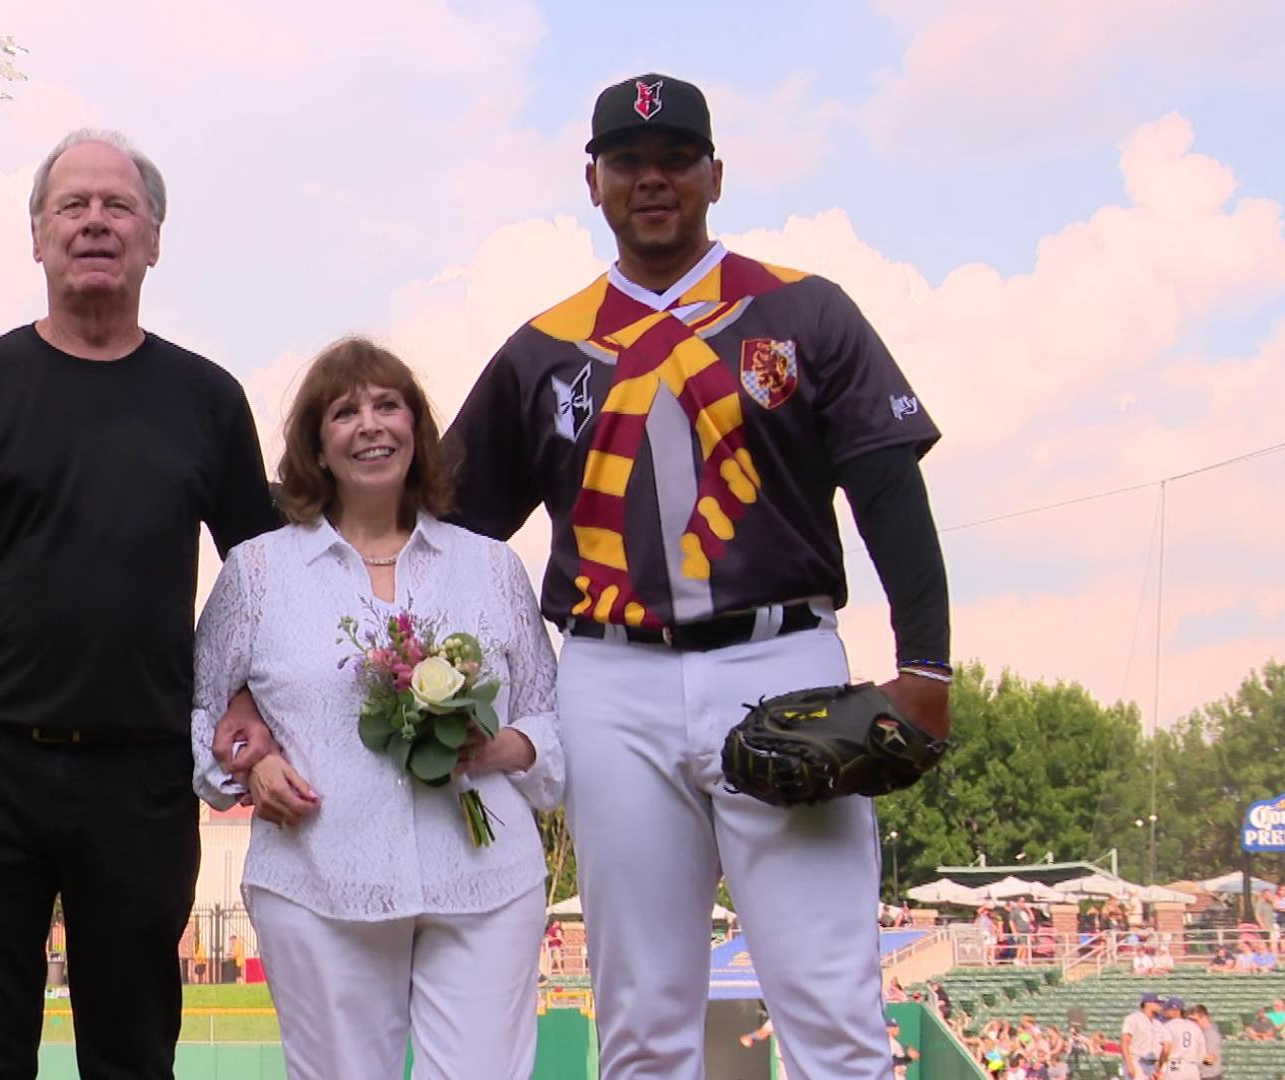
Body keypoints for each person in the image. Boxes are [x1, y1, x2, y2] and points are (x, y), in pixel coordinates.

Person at [217, 71, 950, 1080]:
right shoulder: (544, 349)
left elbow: (888, 492)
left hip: (785, 666)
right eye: (628, 164)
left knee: (831, 1007)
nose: (653, 181)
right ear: (594, 182)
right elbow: (404, 511)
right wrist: (257, 638)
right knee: (642, 1019)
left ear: (715, 175)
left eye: (676, 161)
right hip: (612, 678)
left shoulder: (803, 312)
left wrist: (929, 665)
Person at [0, 127, 277, 1080]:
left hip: (139, 774)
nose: (95, 221)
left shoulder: (208, 400)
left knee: (133, 1056)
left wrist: (248, 697)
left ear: (155, 239)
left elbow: (261, 580)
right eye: (72, 206)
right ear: (37, 235)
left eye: (118, 205)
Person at [190, 338, 564, 1079]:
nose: (371, 425)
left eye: (389, 405)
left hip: (485, 880)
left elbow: (552, 720)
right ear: (316, 447)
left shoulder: (491, 567)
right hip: (320, 880)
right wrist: (253, 766)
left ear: (417, 431)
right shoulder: (259, 572)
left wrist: (498, 750)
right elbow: (200, 714)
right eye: (344, 411)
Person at [1157, 998, 1205, 1080]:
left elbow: (1166, 1049)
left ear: (1173, 1011)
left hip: (1175, 1066)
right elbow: (1202, 1055)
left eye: (1167, 1009)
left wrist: (1160, 1065)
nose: (1165, 1012)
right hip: (1192, 1068)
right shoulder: (1194, 1027)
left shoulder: (1167, 1026)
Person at [1122, 992, 1165, 1078]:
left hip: (1152, 1063)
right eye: (1157, 1002)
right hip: (1137, 1061)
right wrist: (1129, 1064)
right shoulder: (1133, 1019)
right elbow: (1124, 1042)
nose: (1160, 1005)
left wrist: (1159, 1067)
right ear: (1147, 1003)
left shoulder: (1158, 1024)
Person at [1188, 1003, 1223, 1080]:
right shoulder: (1199, 1032)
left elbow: (1210, 1060)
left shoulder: (1211, 1034)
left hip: (1209, 1076)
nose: (1192, 1023)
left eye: (1194, 1020)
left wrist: (1191, 1063)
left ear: (1204, 1017)